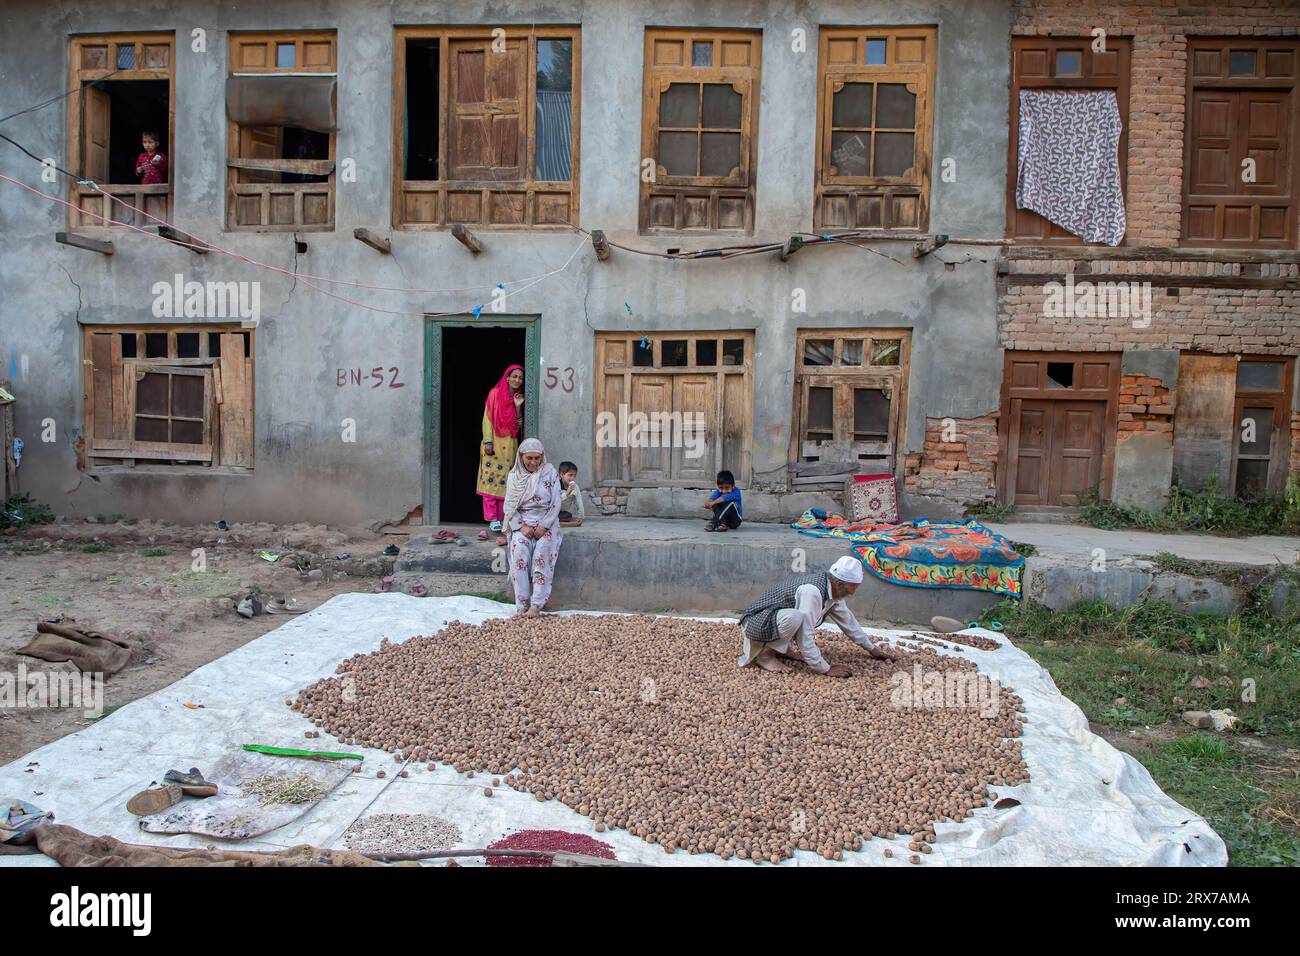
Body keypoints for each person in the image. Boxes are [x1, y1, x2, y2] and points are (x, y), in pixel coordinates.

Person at [737, 556, 893, 677]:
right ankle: (765, 656)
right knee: (796, 617)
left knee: (796, 617)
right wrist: (825, 668)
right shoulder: (812, 592)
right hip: (756, 624)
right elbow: (806, 634)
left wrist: (871, 649)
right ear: (840, 584)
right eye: (853, 587)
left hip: (770, 623)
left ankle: (779, 649)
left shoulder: (833, 592)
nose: (853, 593)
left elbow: (848, 622)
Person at [504, 438, 563, 618]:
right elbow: (509, 507)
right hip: (523, 524)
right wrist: (521, 527)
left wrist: (544, 526)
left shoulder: (550, 473)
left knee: (541, 554)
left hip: (547, 523)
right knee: (520, 552)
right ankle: (521, 605)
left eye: (537, 458)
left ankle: (536, 605)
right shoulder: (514, 476)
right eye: (529, 458)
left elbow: (556, 502)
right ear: (521, 457)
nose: (534, 462)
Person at [477, 364, 524, 541]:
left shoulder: (517, 398)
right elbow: (487, 418)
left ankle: (503, 517)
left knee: (505, 482)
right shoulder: (494, 394)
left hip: (509, 445)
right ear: (507, 377)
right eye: (514, 376)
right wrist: (488, 440)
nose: (517, 380)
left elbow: (518, 426)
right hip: (494, 444)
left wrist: (518, 406)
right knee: (490, 480)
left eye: (520, 378)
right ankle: (492, 519)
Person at [557, 460, 584, 527]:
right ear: (562, 475)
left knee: (568, 515)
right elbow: (555, 501)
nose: (572, 478)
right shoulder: (556, 485)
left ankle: (562, 522)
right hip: (553, 511)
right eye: (570, 475)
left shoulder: (575, 487)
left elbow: (579, 502)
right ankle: (567, 524)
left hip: (563, 513)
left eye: (574, 475)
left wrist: (581, 517)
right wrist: (567, 494)